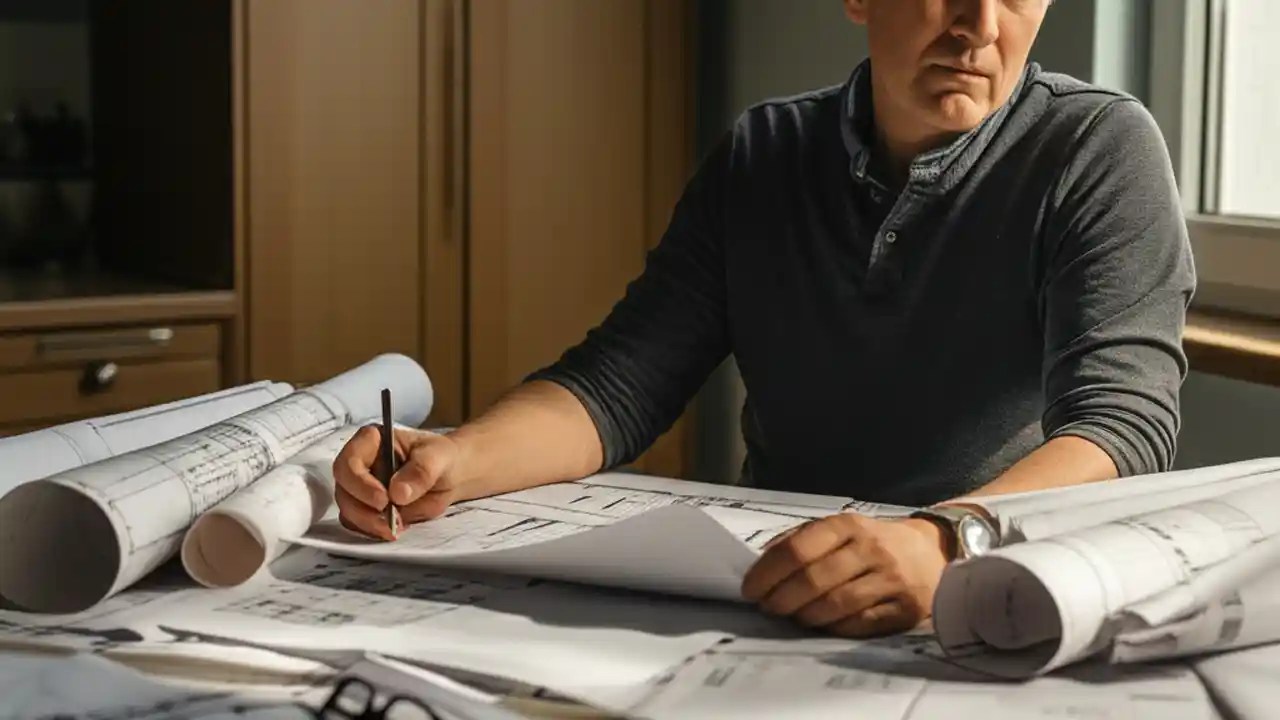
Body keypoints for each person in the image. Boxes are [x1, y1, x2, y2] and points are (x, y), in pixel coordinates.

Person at [333, 0, 1194, 638]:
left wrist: (948, 539)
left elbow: (1122, 426)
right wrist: (458, 457)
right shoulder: (765, 151)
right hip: (771, 591)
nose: (981, 24)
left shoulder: (1097, 148)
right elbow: (620, 382)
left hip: (978, 589)